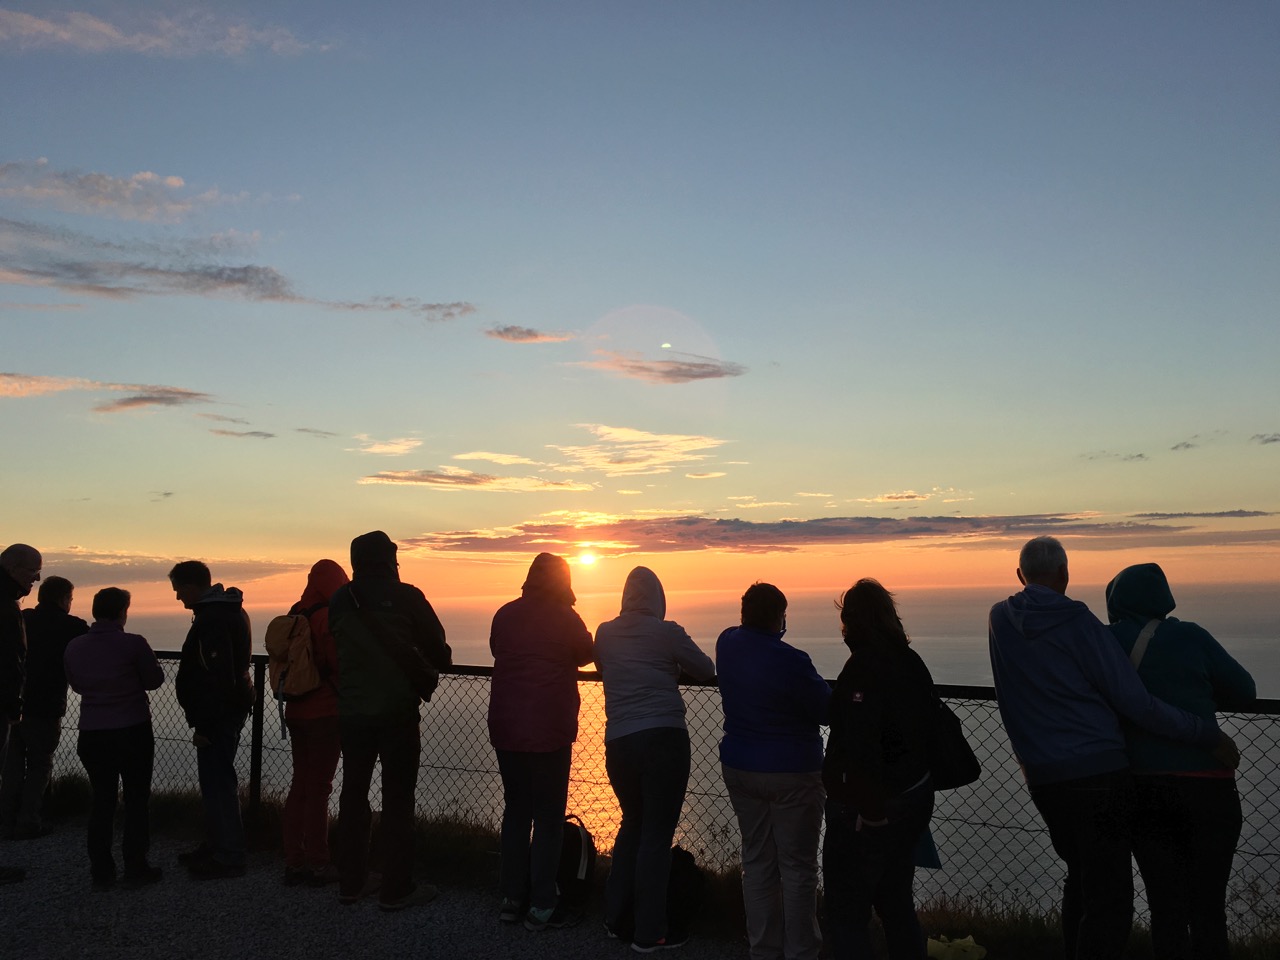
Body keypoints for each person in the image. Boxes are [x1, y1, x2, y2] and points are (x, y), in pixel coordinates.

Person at [988, 536, 1237, 960]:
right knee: (1110, 900)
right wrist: (1203, 732)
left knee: (1081, 879)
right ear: (1065, 573)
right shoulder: (1080, 623)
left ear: (1019, 575)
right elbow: (1136, 703)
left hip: (1042, 777)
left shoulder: (999, 619)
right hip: (1099, 774)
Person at [1105, 563, 1256, 960]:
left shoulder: (1105, 642)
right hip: (1209, 786)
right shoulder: (1191, 636)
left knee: (1165, 907)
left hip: (1142, 787)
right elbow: (1245, 690)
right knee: (1208, 907)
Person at [593, 565, 716, 952]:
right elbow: (706, 669)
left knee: (632, 825)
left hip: (619, 743)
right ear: (658, 599)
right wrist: (672, 666)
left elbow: (605, 668)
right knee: (656, 837)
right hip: (664, 739)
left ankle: (615, 917)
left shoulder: (604, 633)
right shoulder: (667, 632)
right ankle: (649, 932)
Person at [329, 531, 451, 911]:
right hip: (398, 713)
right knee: (398, 799)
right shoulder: (408, 597)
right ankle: (396, 888)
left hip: (352, 714)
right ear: (390, 560)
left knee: (352, 795)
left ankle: (351, 882)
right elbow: (440, 652)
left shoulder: (340, 600)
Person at [716, 582, 831, 960]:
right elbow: (826, 709)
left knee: (757, 862)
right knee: (797, 867)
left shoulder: (726, 644)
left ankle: (763, 950)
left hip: (741, 767)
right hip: (792, 772)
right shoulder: (793, 661)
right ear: (779, 617)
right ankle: (801, 952)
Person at [822, 579, 935, 960]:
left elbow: (859, 744)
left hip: (867, 811)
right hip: (912, 798)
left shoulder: (862, 668)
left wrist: (870, 812)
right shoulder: (911, 662)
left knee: (847, 914)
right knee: (897, 904)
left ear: (851, 621)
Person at [488, 552, 593, 931]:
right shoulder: (567, 618)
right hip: (549, 730)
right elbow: (587, 653)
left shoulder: (505, 614)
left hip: (507, 727)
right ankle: (543, 904)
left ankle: (511, 898)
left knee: (516, 811)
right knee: (548, 818)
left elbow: (497, 648)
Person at [63, 587, 165, 889]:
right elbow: (154, 680)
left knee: (102, 800)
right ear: (123, 611)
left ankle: (102, 871)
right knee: (136, 799)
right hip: (132, 729)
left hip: (92, 732)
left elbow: (76, 685)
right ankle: (135, 865)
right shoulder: (133, 644)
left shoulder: (75, 646)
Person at [170, 559, 254, 880]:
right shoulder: (229, 611)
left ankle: (229, 855)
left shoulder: (212, 619)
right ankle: (218, 844)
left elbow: (217, 677)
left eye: (178, 589)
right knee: (216, 780)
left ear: (191, 586)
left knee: (217, 783)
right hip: (229, 708)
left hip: (217, 715)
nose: (177, 596)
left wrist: (204, 724)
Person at [1, 575, 87, 839]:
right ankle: (29, 821)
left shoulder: (23, 618)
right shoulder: (73, 627)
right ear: (64, 599)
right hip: (47, 706)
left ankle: (6, 819)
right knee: (40, 764)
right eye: (70, 598)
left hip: (14, 702)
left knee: (12, 764)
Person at [281, 559, 349, 886]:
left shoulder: (295, 613)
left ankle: (294, 861)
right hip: (324, 712)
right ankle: (319, 863)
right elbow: (340, 663)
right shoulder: (328, 617)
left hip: (295, 710)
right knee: (319, 788)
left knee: (300, 785)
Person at [0, 542, 42, 885]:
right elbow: (10, 660)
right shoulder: (5, 606)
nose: (36, 579)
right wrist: (14, 706)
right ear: (12, 568)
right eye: (33, 571)